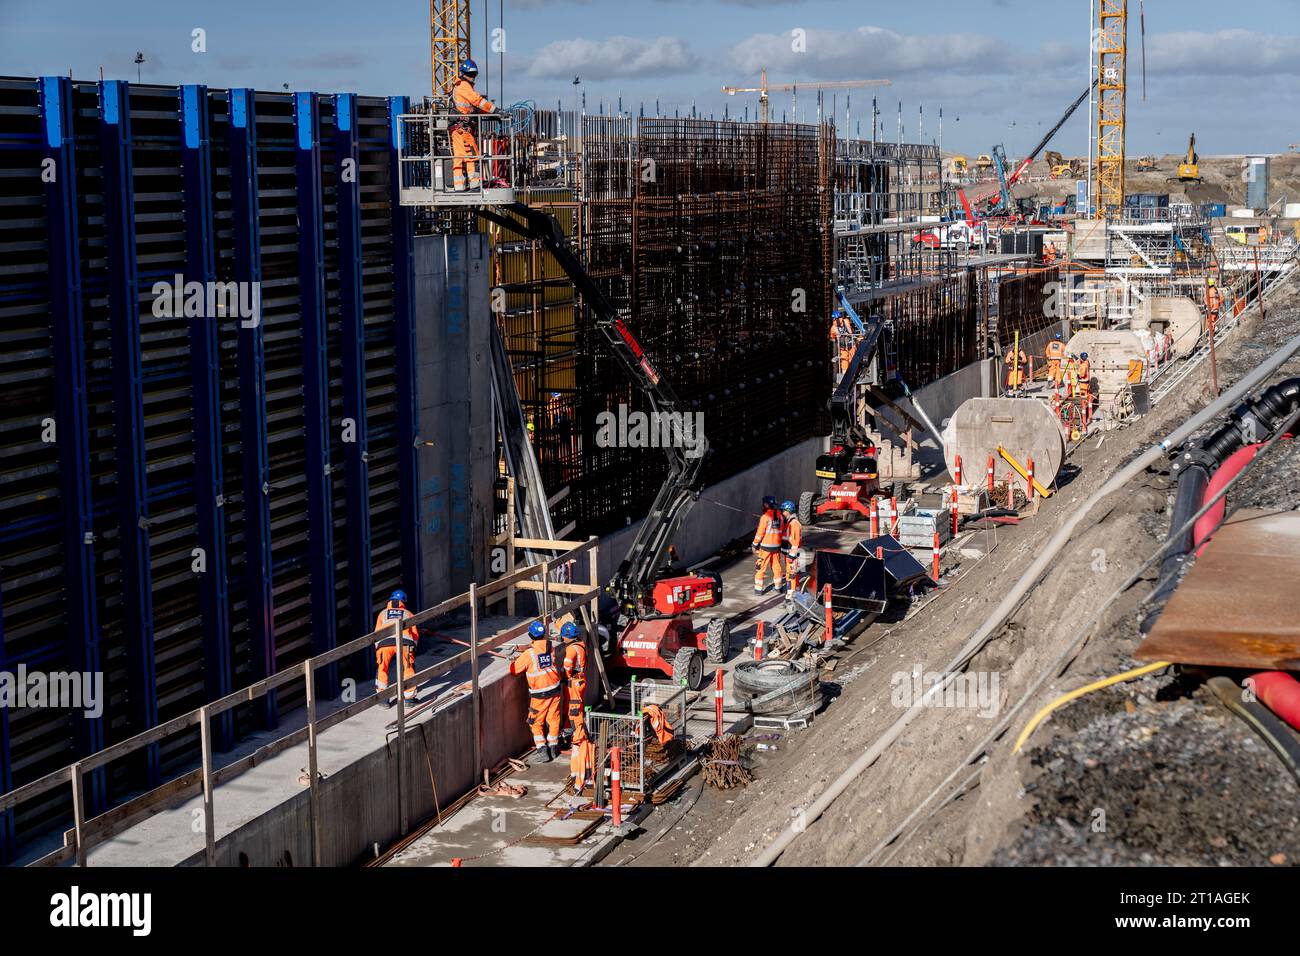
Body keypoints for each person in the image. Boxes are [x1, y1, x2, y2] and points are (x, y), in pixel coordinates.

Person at [510, 620, 563, 762]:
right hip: (555, 689)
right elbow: (539, 651)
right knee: (553, 719)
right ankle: (553, 746)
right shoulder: (550, 647)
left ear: (530, 635)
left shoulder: (529, 654)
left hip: (541, 694)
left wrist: (516, 660)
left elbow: (515, 670)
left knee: (535, 721)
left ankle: (542, 750)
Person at [450, 59, 497, 192]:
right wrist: (495, 110)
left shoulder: (459, 85)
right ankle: (475, 184)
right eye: (470, 74)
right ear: (464, 73)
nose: (472, 77)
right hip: (463, 129)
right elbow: (478, 101)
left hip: (456, 129)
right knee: (472, 155)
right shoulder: (464, 86)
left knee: (459, 158)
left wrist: (492, 114)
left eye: (474, 75)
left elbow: (473, 108)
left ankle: (459, 186)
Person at [374, 590, 419, 704]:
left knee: (382, 668)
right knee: (409, 668)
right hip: (405, 643)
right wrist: (413, 649)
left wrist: (378, 648)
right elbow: (415, 635)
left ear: (390, 600)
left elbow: (377, 634)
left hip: (385, 643)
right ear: (403, 602)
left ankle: (383, 699)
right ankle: (409, 699)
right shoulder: (408, 613)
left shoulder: (382, 613)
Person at [559, 621, 588, 748]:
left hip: (574, 683)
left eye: (563, 636)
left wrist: (565, 677)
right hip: (579, 681)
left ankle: (578, 739)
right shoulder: (581, 644)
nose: (561, 638)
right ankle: (568, 734)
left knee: (574, 711)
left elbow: (567, 666)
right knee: (569, 708)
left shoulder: (571, 649)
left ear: (567, 636)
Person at [752, 496, 785, 594]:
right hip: (776, 546)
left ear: (766, 505)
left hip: (765, 547)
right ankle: (778, 587)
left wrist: (754, 544)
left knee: (761, 567)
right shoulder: (780, 516)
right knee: (776, 566)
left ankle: (758, 589)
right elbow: (782, 530)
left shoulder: (765, 517)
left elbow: (760, 533)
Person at [780, 500, 805, 592]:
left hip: (791, 555)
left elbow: (796, 542)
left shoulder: (794, 523)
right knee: (791, 574)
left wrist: (791, 555)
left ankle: (791, 597)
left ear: (788, 511)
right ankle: (796, 591)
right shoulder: (789, 522)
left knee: (791, 575)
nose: (782, 512)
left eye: (783, 510)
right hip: (788, 554)